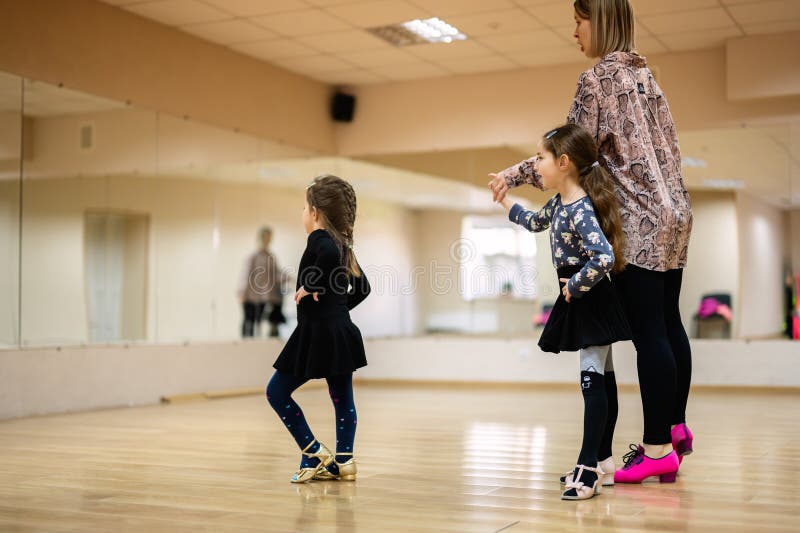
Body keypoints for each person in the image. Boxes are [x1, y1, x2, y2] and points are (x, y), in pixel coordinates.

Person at [489, 0, 693, 484]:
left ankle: (658, 447)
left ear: (598, 22)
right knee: (668, 323)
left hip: (640, 220)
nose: (575, 32)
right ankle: (676, 428)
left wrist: (514, 175)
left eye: (578, 22)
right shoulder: (649, 79)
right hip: (677, 214)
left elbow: (571, 153)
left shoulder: (597, 79)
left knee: (647, 334)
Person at [499, 123, 631, 500]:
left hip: (590, 300)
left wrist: (573, 287)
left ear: (564, 162)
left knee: (592, 383)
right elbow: (534, 222)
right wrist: (504, 198)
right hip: (582, 298)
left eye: (540, 157)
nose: (535, 165)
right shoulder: (559, 204)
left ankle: (587, 468)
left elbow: (603, 256)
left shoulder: (581, 208)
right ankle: (602, 459)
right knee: (602, 379)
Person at [266, 174, 371, 484]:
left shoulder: (321, 239)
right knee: (342, 399)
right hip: (339, 332)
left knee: (276, 391)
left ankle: (311, 450)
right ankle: (344, 460)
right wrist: (336, 310)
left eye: (303, 207)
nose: (303, 214)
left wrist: (307, 286)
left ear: (315, 213)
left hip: (317, 334)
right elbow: (363, 288)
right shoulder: (344, 245)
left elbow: (323, 256)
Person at [239, 226, 286, 338]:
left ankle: (266, 338)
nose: (268, 240)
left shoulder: (271, 257)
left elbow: (276, 274)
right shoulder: (253, 257)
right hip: (251, 296)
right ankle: (246, 343)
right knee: (249, 321)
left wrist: (289, 278)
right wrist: (243, 293)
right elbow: (246, 276)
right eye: (266, 237)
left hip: (264, 296)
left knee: (260, 320)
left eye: (269, 238)